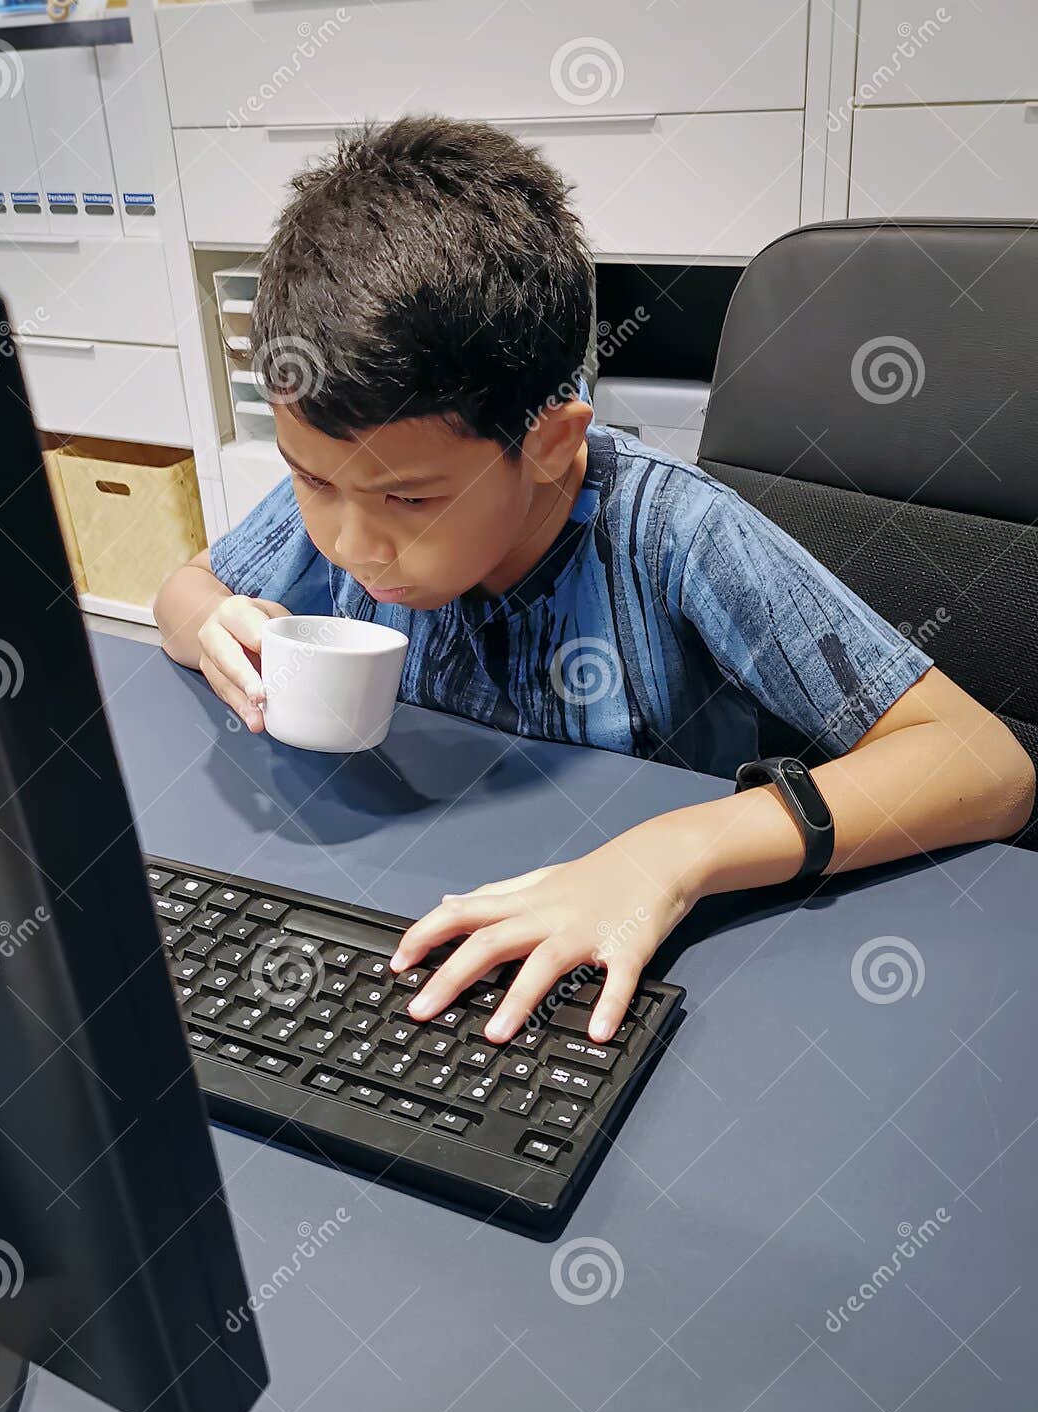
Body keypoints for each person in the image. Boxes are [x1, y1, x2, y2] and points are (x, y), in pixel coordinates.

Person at [155, 117, 1033, 1046]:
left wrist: (679, 850)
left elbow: (987, 763)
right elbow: (186, 590)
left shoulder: (676, 532)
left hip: (651, 967)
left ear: (548, 445)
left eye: (411, 500)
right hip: (407, 896)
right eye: (310, 478)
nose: (348, 543)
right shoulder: (352, 482)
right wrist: (211, 618)